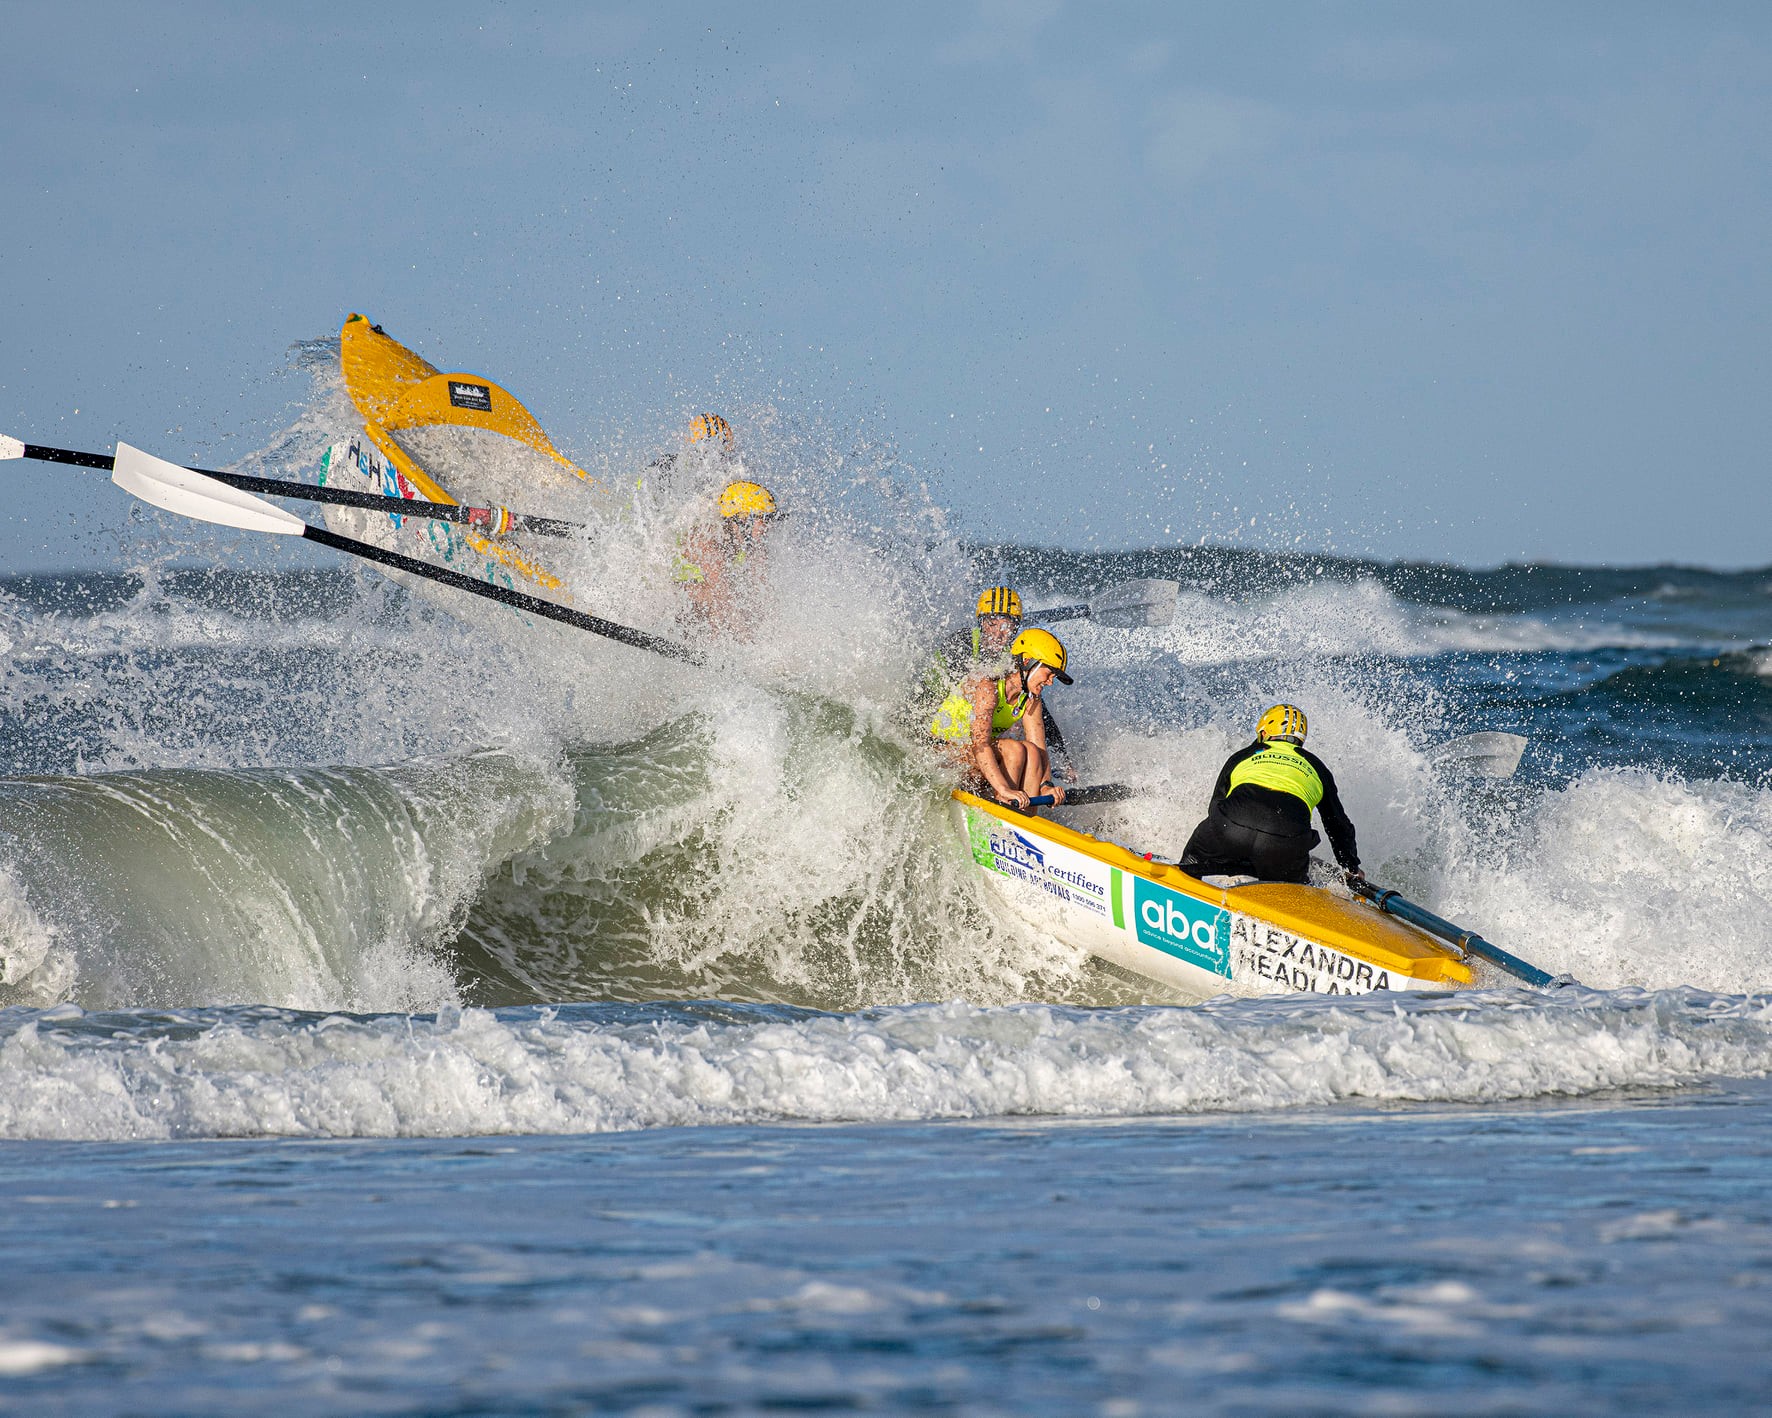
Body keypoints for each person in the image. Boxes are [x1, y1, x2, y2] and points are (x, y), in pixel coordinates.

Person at [1178, 704, 1364, 886]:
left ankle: (1181, 884)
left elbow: (1215, 807)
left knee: (1193, 859)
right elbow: (1337, 825)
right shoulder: (1317, 766)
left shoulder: (1243, 755)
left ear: (1264, 733)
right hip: (1286, 843)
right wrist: (1350, 866)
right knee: (1293, 887)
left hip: (1231, 827)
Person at [918, 587, 1073, 774]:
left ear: (1015, 629)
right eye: (992, 623)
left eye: (1006, 627)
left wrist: (1063, 758)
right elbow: (932, 695)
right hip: (937, 727)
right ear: (981, 623)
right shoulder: (962, 644)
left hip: (976, 733)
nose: (998, 634)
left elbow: (1039, 712)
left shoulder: (1015, 656)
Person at [929, 627, 1073, 810]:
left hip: (972, 756)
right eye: (1049, 672)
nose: (1050, 681)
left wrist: (1046, 786)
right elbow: (980, 744)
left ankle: (1025, 818)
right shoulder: (988, 687)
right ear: (1028, 662)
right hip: (940, 754)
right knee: (1014, 750)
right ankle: (1004, 804)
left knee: (1032, 751)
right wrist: (1004, 789)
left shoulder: (1030, 699)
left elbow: (1039, 747)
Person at [674, 478, 781, 634]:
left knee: (748, 600)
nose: (767, 527)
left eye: (769, 520)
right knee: (723, 596)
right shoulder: (706, 539)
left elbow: (763, 596)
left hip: (704, 605)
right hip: (672, 600)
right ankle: (709, 642)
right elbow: (722, 597)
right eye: (763, 519)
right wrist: (746, 643)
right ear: (741, 520)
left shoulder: (755, 546)